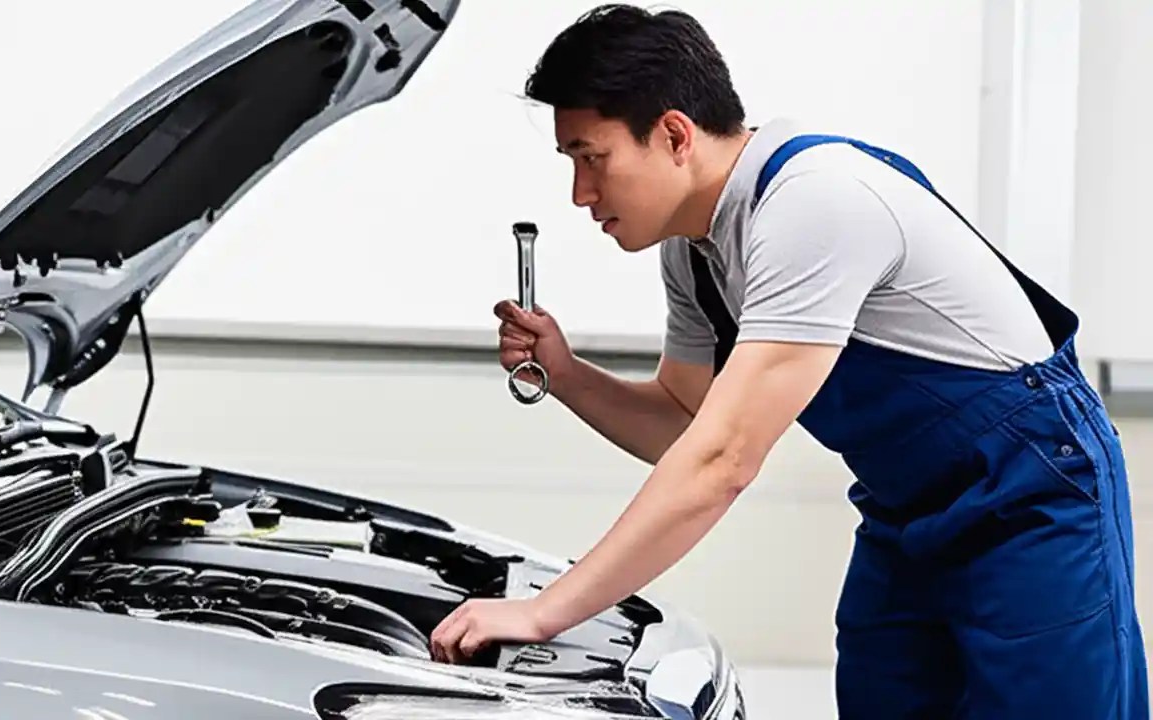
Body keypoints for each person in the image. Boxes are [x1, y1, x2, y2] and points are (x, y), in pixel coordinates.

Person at [428, 4, 1147, 717]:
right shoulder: (696, 249)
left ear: (674, 133)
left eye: (593, 159)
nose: (581, 194)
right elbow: (684, 425)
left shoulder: (814, 203)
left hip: (1032, 497)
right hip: (907, 513)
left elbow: (723, 458)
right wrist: (567, 375)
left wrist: (546, 612)